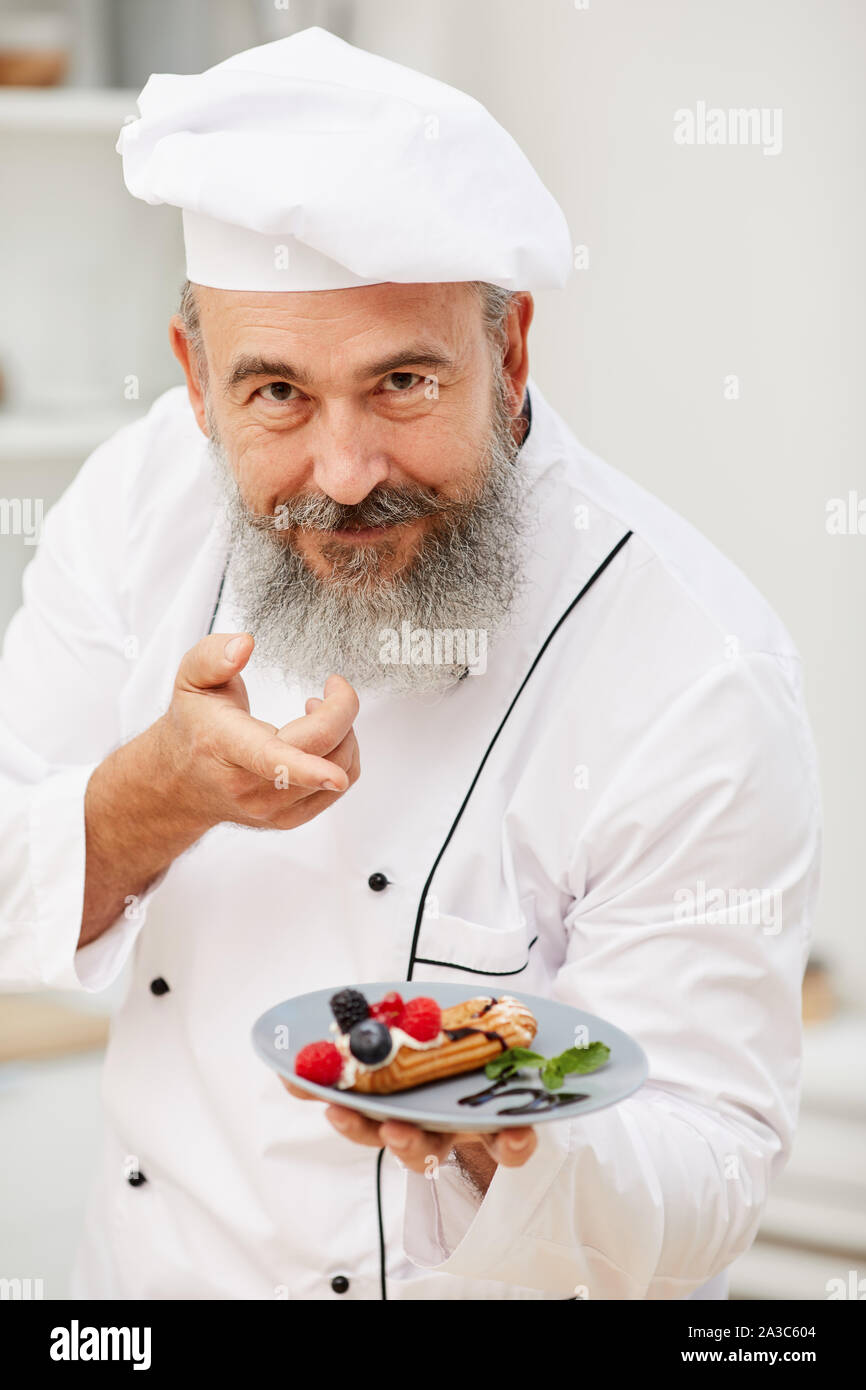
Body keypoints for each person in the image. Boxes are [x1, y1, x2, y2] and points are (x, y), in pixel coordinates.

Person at [0, 26, 820, 1301]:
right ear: (196, 384)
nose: (342, 476)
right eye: (273, 392)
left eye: (400, 381)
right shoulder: (138, 503)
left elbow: (706, 1174)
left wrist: (514, 1136)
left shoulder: (691, 664)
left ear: (506, 356)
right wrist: (151, 795)